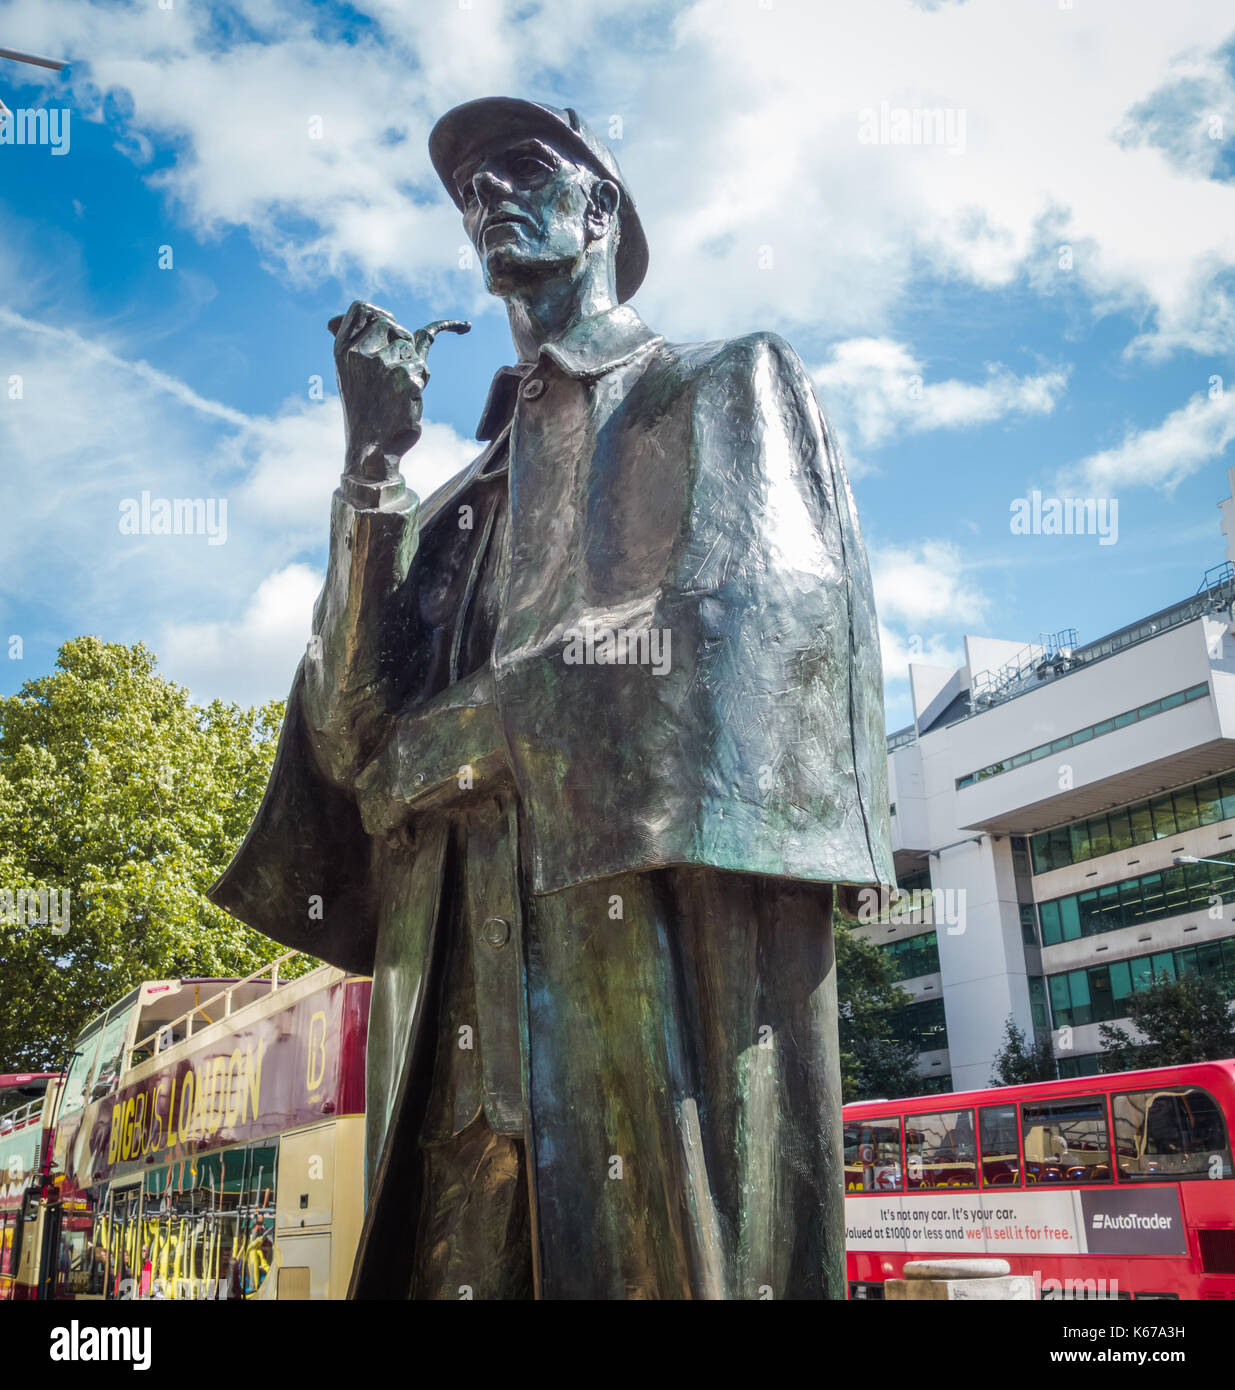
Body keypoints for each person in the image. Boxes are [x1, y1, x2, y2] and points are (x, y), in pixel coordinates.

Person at [212, 98, 892, 1299]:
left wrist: (456, 744)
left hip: (624, 981)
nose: (484, 198)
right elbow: (348, 734)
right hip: (447, 1011)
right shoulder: (450, 500)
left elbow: (746, 639)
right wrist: (371, 467)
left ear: (599, 210)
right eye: (466, 187)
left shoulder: (718, 383)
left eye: (519, 169)